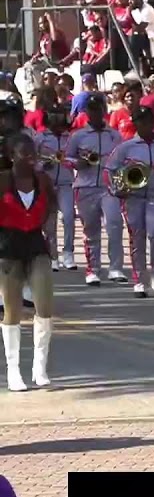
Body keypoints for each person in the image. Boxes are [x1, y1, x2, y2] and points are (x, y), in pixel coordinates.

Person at [1, 133, 56, 392]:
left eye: (33, 152)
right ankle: (13, 371)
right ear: (12, 156)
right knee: (12, 311)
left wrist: (47, 227)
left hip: (36, 246)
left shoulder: (42, 180)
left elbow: (52, 206)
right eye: (25, 153)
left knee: (44, 306)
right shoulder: (3, 181)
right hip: (8, 249)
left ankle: (39, 367)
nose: (32, 158)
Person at [103, 106, 154, 298]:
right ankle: (139, 280)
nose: (143, 125)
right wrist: (117, 189)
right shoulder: (126, 147)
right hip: (133, 197)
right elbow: (109, 170)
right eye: (138, 121)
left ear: (152, 122)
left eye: (146, 120)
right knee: (137, 237)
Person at [67, 96, 126, 286]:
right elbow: (66, 158)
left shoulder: (114, 135)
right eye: (91, 109)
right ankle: (93, 269)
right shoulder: (78, 136)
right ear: (86, 112)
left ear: (103, 110)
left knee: (115, 224)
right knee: (91, 229)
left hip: (109, 187)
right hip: (85, 186)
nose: (95, 112)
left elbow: (124, 158)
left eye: (98, 108)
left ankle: (116, 268)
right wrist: (78, 163)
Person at [34, 104, 76, 272]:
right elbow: (33, 159)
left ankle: (68, 253)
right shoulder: (40, 137)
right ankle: (53, 256)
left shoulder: (70, 138)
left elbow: (75, 158)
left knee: (68, 217)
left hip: (65, 183)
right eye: (53, 116)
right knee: (49, 223)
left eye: (60, 117)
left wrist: (69, 161)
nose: (57, 121)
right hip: (48, 183)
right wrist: (43, 165)